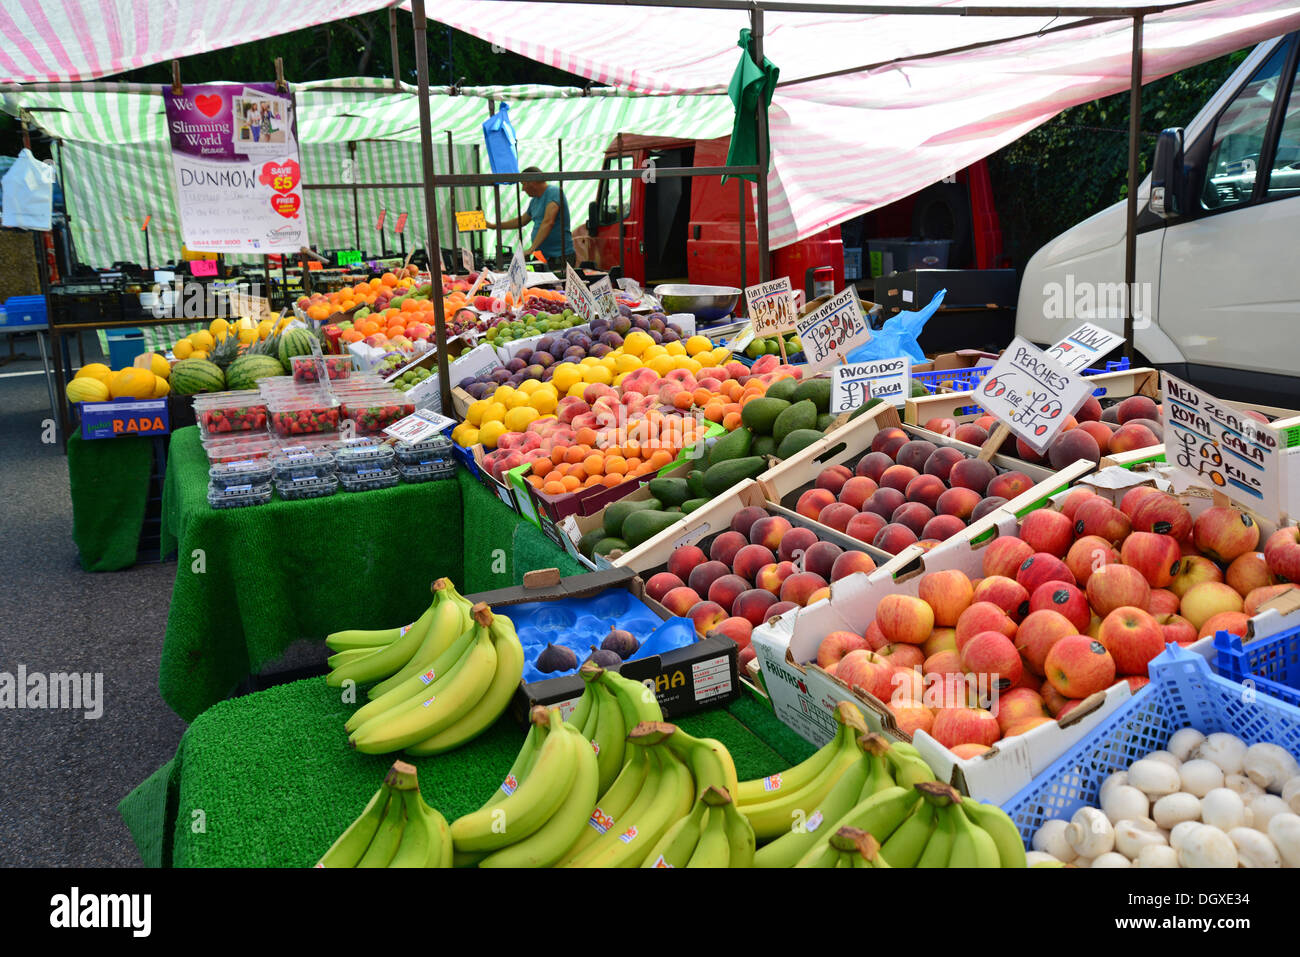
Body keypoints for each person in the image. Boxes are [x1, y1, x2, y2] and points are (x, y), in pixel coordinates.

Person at [486, 167, 575, 273]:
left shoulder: (554, 192)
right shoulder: (534, 201)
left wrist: (531, 248)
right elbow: (521, 220)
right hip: (543, 257)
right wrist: (494, 226)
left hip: (559, 258)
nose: (522, 189)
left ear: (532, 182)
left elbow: (548, 222)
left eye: (523, 184)